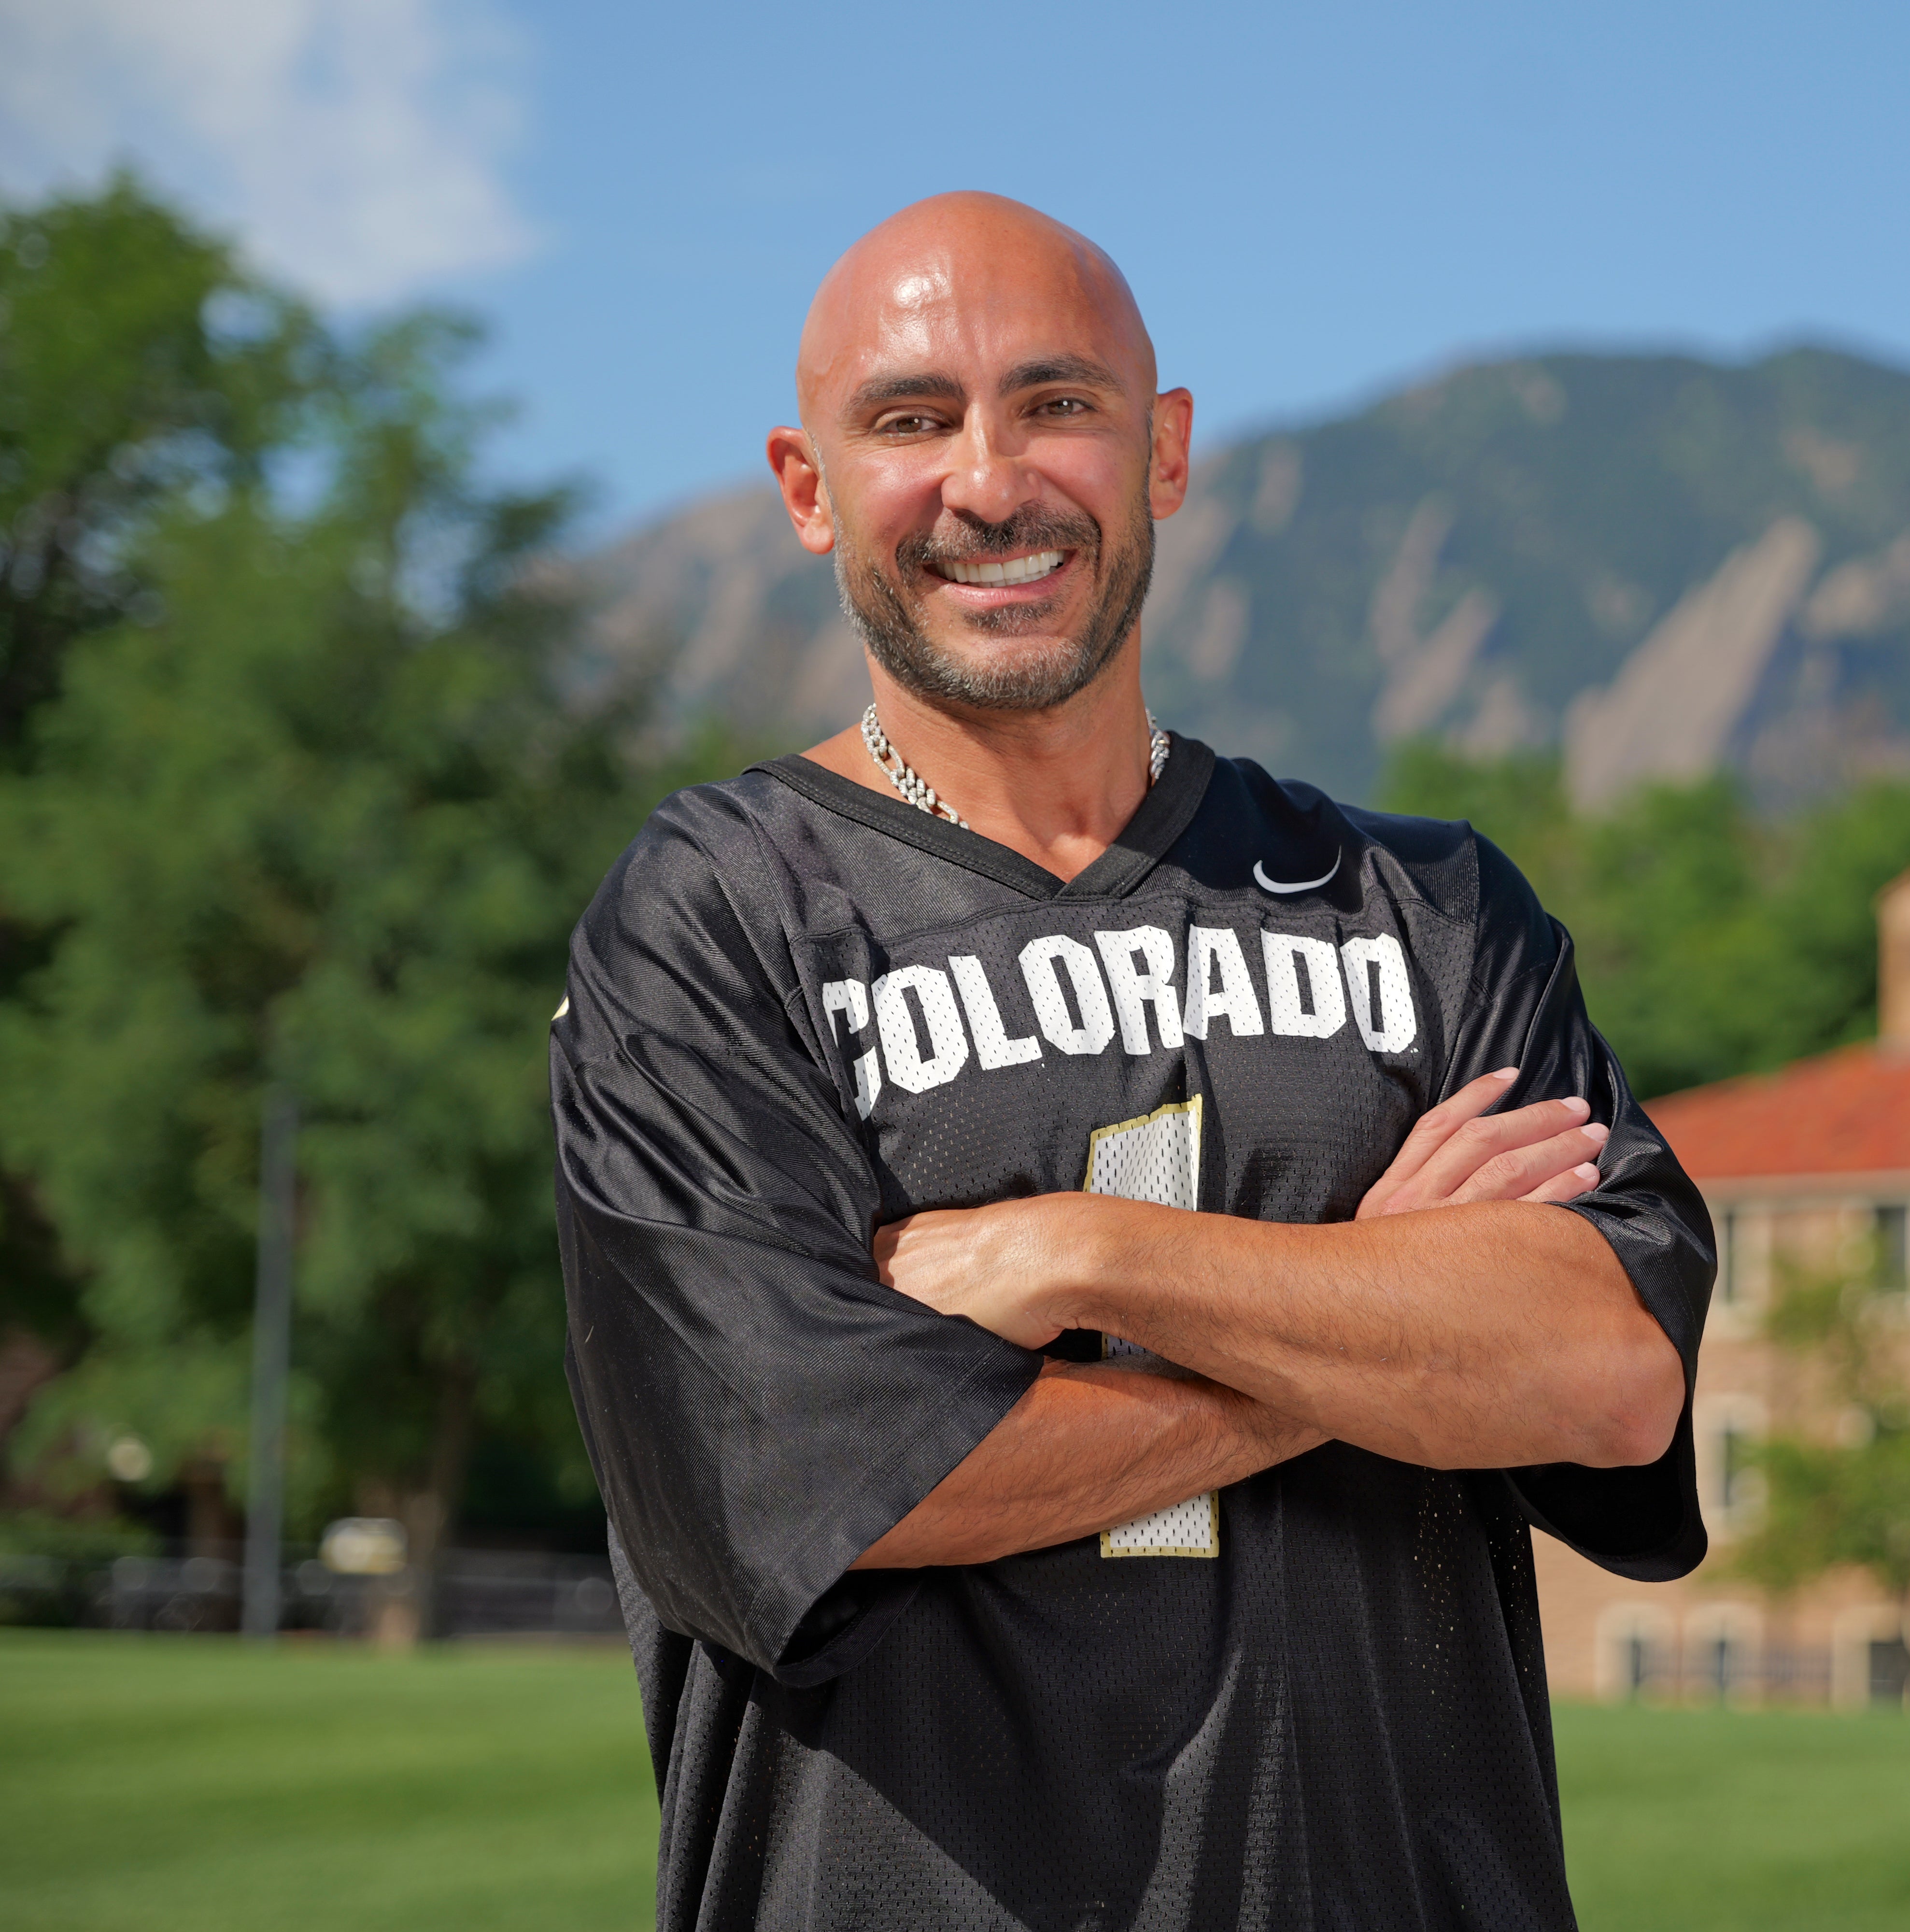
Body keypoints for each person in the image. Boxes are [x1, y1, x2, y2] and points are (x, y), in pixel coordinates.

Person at [552, 190, 1713, 1932]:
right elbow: (807, 1483)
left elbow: (1608, 1379)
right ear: (808, 489)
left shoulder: (1430, 911)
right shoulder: (712, 923)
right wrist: (1372, 1327)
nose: (993, 480)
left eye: (1060, 403)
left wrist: (1085, 1254)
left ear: (1163, 449)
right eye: (912, 419)